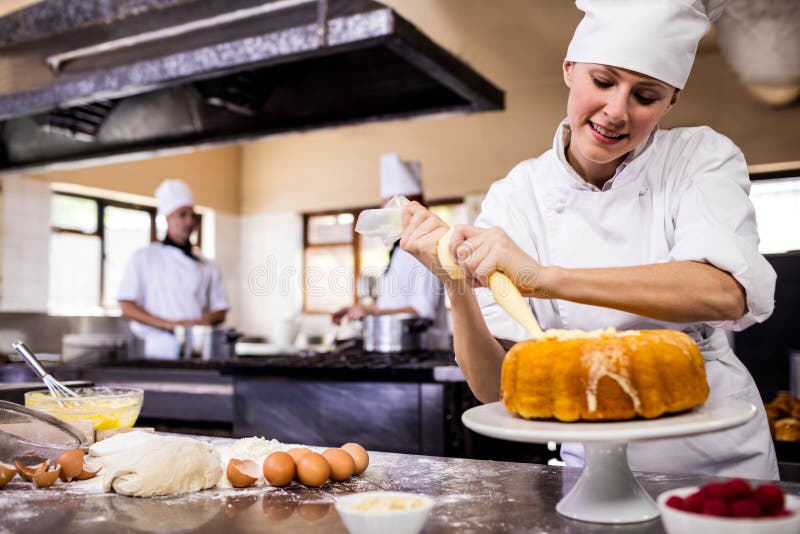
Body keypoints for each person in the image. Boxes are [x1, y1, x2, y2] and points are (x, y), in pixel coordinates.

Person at [398, 0, 778, 479]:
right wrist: (454, 282)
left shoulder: (699, 158)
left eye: (646, 96)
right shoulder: (518, 194)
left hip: (713, 457)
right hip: (590, 460)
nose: (616, 111)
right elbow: (496, 388)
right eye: (602, 82)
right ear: (569, 69)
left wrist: (544, 278)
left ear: (672, 100)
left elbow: (724, 292)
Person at [333, 153, 447, 343]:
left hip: (423, 349)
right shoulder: (400, 249)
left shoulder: (425, 248)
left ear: (410, 205)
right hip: (398, 347)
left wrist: (372, 311)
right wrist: (359, 308)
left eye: (389, 207)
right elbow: (393, 303)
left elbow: (422, 311)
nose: (383, 214)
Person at [118, 179, 229, 359]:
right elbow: (126, 306)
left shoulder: (208, 265)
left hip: (198, 350)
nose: (189, 221)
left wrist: (202, 323)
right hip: (156, 351)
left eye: (193, 216)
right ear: (167, 217)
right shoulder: (144, 257)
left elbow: (220, 309)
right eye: (182, 215)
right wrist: (170, 325)